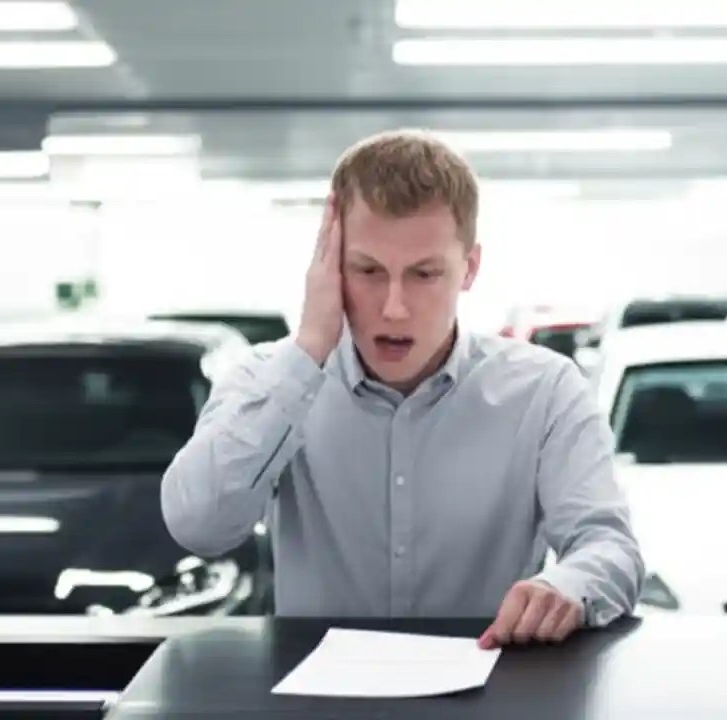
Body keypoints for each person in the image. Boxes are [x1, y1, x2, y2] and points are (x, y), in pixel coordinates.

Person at [161, 129, 643, 648]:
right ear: (331, 267)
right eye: (367, 271)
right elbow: (199, 525)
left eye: (424, 274)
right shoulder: (267, 379)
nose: (394, 307)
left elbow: (609, 545)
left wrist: (567, 586)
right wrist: (306, 356)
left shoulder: (545, 391)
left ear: (469, 269)